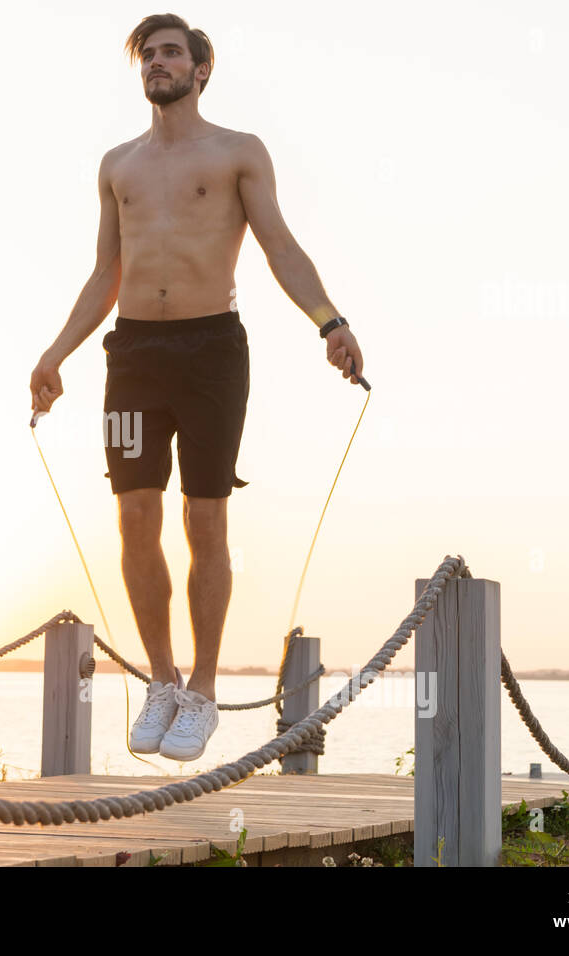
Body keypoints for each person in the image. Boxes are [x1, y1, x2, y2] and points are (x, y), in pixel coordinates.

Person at [28, 14, 364, 761]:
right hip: (133, 357)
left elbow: (280, 245)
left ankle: (204, 690)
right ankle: (162, 680)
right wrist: (55, 355)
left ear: (200, 69)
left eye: (171, 52)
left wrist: (329, 322)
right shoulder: (118, 165)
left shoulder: (239, 152)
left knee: (204, 522)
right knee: (133, 518)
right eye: (147, 54)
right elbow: (104, 274)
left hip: (213, 351)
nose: (158, 62)